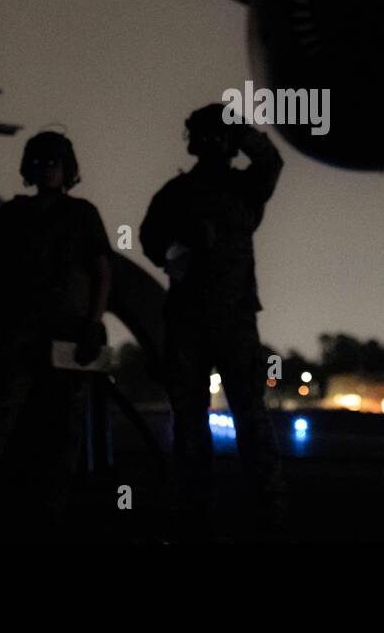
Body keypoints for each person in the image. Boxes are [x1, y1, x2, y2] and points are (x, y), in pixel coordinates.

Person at [140, 104, 285, 533]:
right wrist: (179, 251)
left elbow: (271, 162)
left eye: (216, 135)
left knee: (243, 417)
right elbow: (152, 242)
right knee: (195, 420)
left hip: (229, 319)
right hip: (196, 320)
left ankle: (257, 512)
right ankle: (201, 511)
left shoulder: (242, 188)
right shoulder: (182, 194)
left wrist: (242, 132)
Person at [0, 130, 112, 526]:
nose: (47, 169)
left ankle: (46, 517)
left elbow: (101, 272)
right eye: (41, 162)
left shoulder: (82, 215)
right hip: (18, 335)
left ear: (68, 169)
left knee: (62, 436)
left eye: (54, 162)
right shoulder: (13, 215)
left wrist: (92, 326)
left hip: (66, 337)